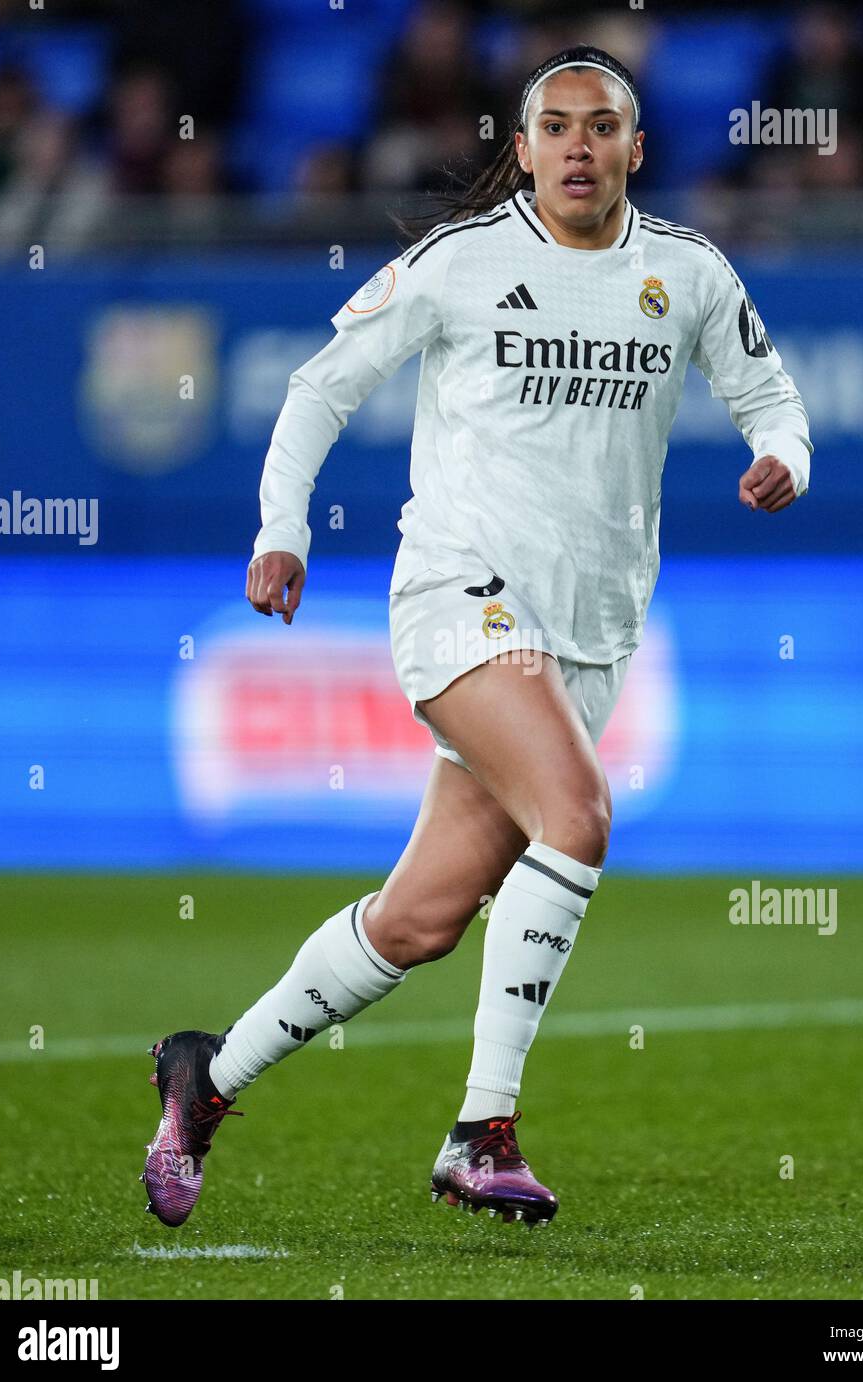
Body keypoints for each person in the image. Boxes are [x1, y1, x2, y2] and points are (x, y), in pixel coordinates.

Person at [140, 44, 813, 1230]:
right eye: (552, 125)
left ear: (633, 148)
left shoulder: (687, 274)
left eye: (599, 126)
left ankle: (206, 1077)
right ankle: (479, 1128)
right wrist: (279, 527)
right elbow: (321, 385)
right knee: (581, 812)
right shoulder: (459, 264)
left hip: (595, 629)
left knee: (420, 920)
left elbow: (770, 396)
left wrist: (784, 457)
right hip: (461, 593)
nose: (575, 145)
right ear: (521, 145)